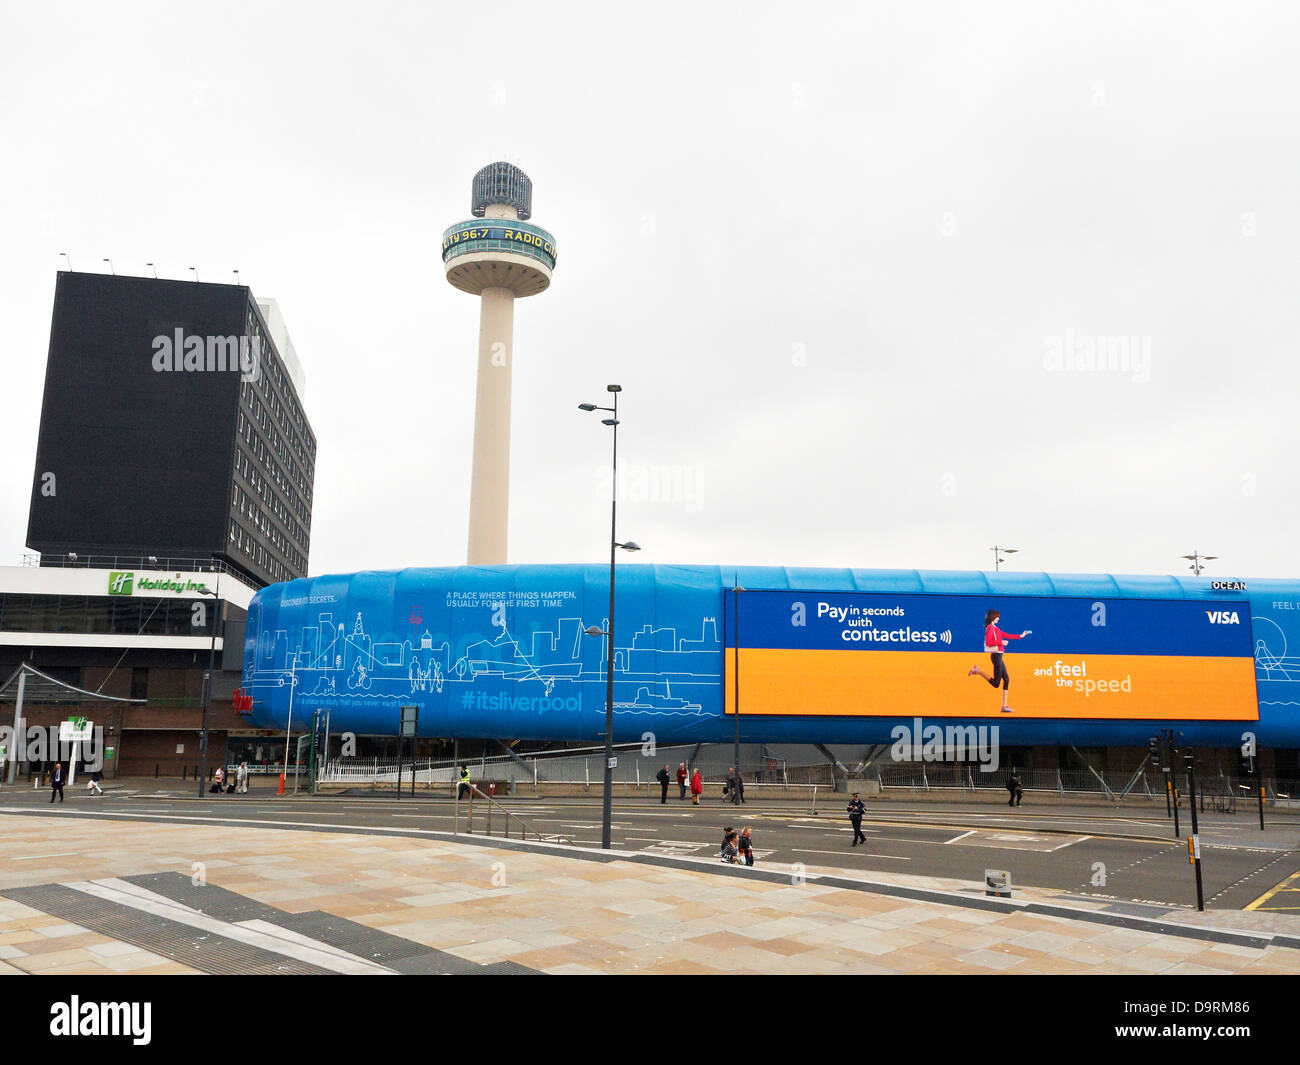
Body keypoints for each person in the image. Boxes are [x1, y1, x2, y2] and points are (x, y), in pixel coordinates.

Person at [968, 608, 1030, 713]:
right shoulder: (990, 629)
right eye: (997, 617)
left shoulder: (995, 628)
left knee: (1006, 679)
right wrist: (1001, 643)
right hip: (996, 657)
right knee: (996, 684)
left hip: (999, 656)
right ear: (993, 617)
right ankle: (977, 671)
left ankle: (1004, 706)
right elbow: (988, 642)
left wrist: (1021, 636)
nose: (998, 619)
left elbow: (1006, 635)